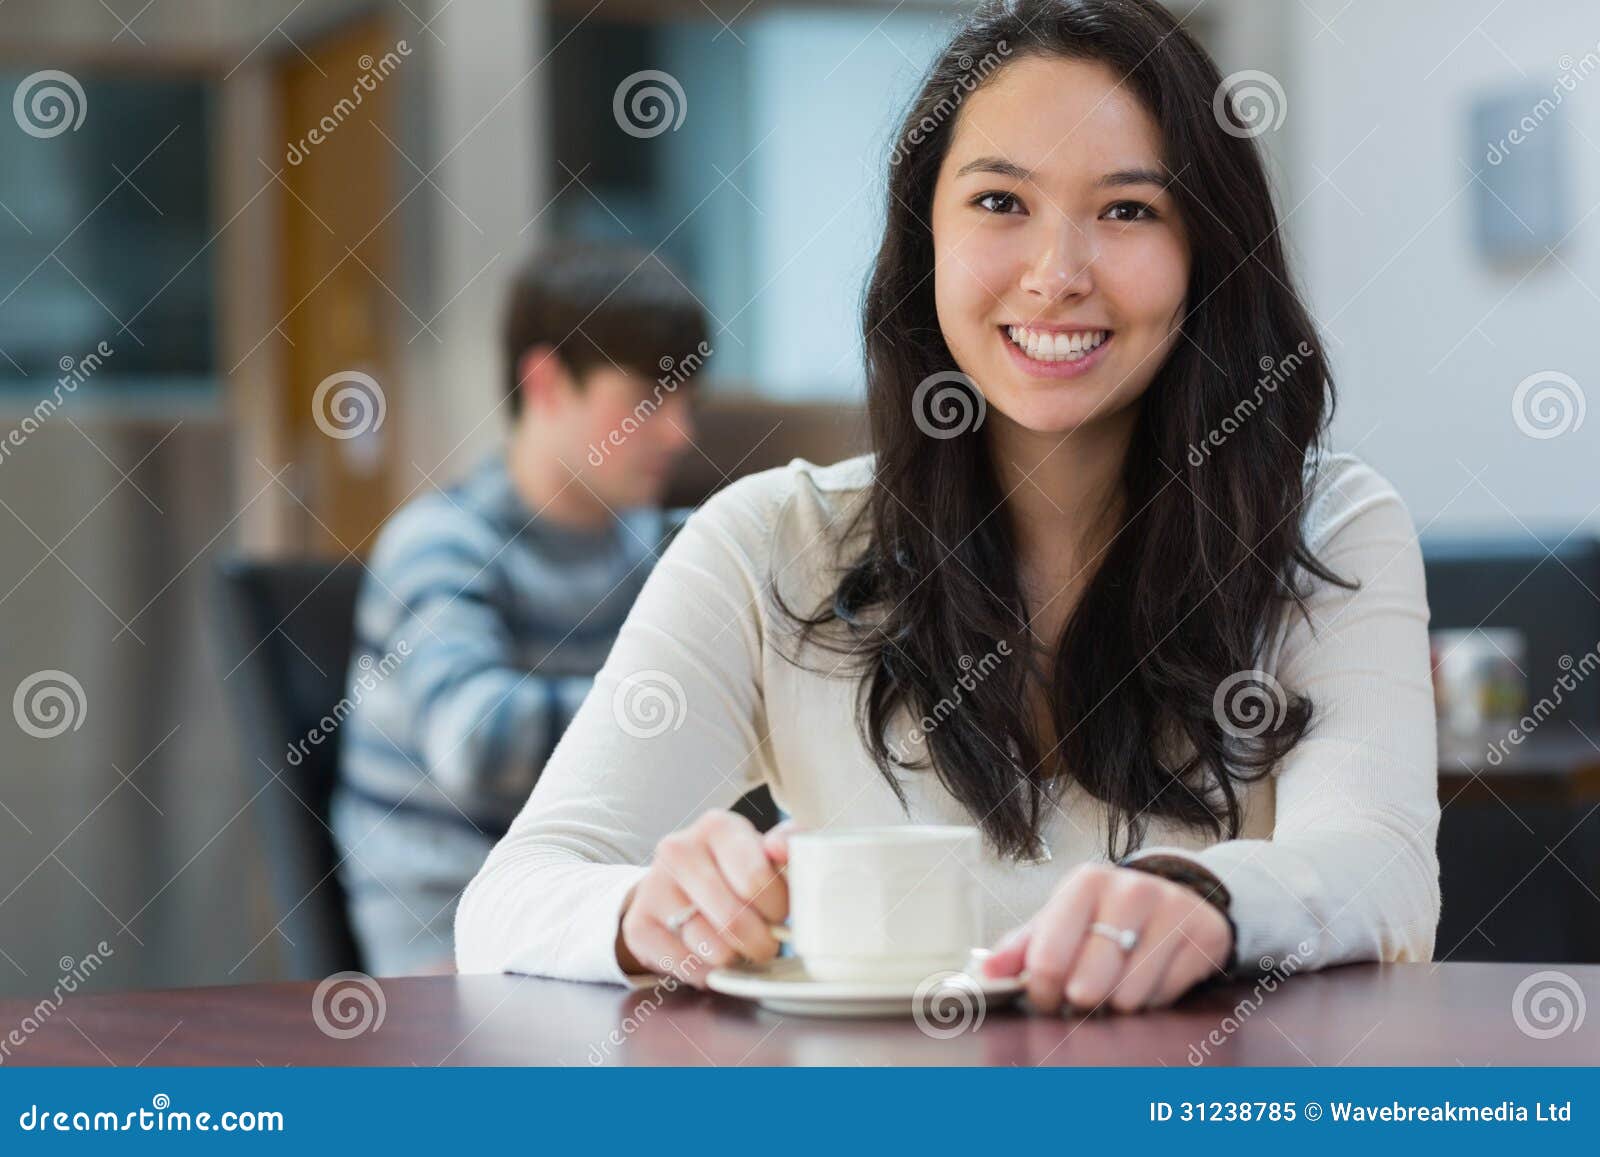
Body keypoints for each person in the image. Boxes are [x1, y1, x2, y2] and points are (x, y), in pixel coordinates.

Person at [455, 0, 1441, 1014]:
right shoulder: (769, 544)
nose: (1056, 275)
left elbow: (1384, 870)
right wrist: (644, 910)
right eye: (1000, 203)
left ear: (1206, 254)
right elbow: (510, 897)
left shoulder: (1323, 527)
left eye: (1128, 210)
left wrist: (1207, 898)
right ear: (924, 238)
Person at [330, 240, 708, 975]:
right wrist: (684, 706)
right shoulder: (439, 543)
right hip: (456, 953)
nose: (679, 432)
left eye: (687, 399)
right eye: (647, 400)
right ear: (545, 383)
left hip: (605, 931)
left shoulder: (650, 548)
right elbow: (476, 740)